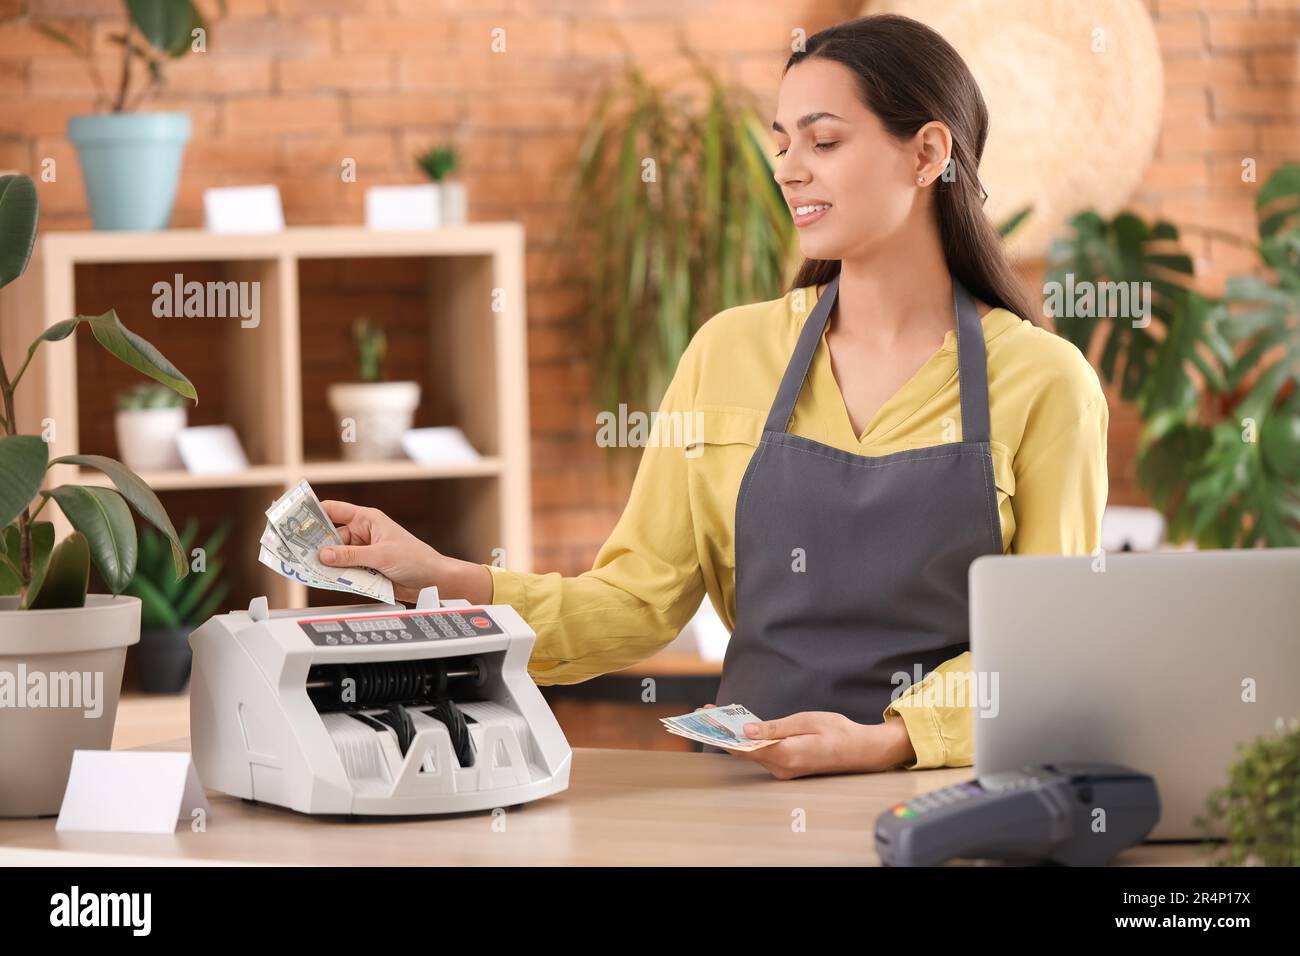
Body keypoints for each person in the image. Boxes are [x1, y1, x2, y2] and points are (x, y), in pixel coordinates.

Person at [319, 14, 1108, 780]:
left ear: (928, 152)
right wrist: (441, 576)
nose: (790, 167)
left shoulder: (1044, 382)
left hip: (941, 798)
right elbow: (636, 601)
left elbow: (1047, 643)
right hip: (746, 794)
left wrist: (889, 739)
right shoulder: (726, 353)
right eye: (782, 143)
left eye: (824, 140)